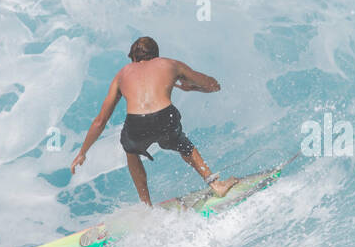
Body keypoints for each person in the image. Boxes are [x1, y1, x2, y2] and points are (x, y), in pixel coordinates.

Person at [69, 36, 239, 205]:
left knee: (131, 150)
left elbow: (101, 120)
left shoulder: (122, 74)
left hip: (137, 123)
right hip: (166, 117)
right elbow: (213, 85)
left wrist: (82, 152)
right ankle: (215, 184)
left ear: (134, 58)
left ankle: (146, 206)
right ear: (156, 55)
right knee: (183, 144)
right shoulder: (171, 64)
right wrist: (191, 88)